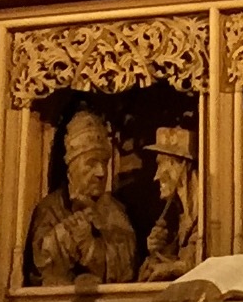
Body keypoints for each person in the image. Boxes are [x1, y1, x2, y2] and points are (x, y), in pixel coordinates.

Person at [28, 111, 138, 284]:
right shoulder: (50, 208)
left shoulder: (115, 211)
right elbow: (41, 262)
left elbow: (126, 268)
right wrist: (67, 233)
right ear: (72, 168)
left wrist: (89, 245)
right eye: (91, 163)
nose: (101, 173)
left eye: (104, 163)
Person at [138, 126, 201, 282]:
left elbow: (208, 264)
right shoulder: (181, 221)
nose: (156, 176)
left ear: (182, 166)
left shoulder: (204, 218)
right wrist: (158, 251)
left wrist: (170, 268)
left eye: (161, 164)